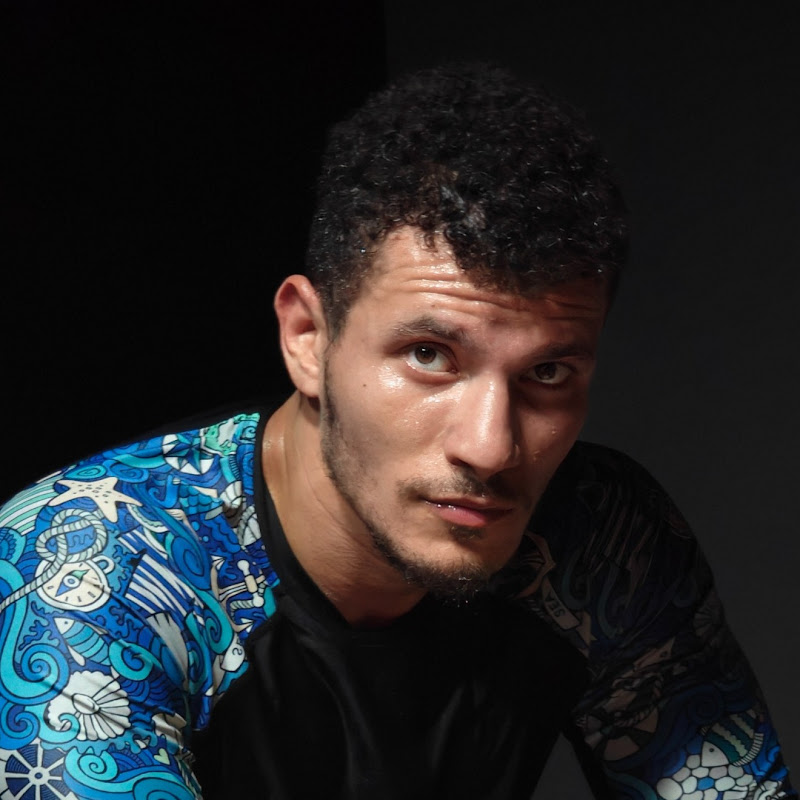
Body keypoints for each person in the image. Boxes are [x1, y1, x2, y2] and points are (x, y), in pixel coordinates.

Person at [0, 62, 793, 800]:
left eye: (547, 373)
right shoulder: (89, 571)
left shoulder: (601, 544)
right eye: (429, 356)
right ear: (307, 338)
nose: (491, 447)